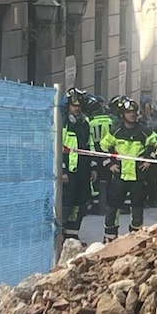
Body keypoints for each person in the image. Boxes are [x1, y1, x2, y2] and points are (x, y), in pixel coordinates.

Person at [99, 98, 157, 241]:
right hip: (119, 176)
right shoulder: (115, 131)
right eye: (128, 112)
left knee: (137, 208)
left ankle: (135, 239)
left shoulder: (144, 131)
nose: (132, 115)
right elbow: (102, 148)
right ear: (122, 114)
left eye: (133, 112)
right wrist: (109, 164)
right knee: (113, 208)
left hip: (138, 177)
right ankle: (110, 238)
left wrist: (149, 160)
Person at [60, 88, 95, 241]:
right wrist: (62, 170)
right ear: (68, 106)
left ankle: (72, 237)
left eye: (79, 105)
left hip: (83, 170)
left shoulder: (85, 123)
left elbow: (90, 145)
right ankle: (59, 237)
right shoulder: (62, 122)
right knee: (65, 204)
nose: (77, 108)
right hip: (68, 170)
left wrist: (93, 166)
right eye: (74, 106)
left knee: (80, 204)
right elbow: (56, 148)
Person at [86, 95, 116, 214]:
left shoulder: (91, 121)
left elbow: (90, 139)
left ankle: (96, 203)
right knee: (108, 178)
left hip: (95, 151)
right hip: (109, 152)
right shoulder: (110, 120)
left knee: (95, 179)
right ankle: (107, 202)